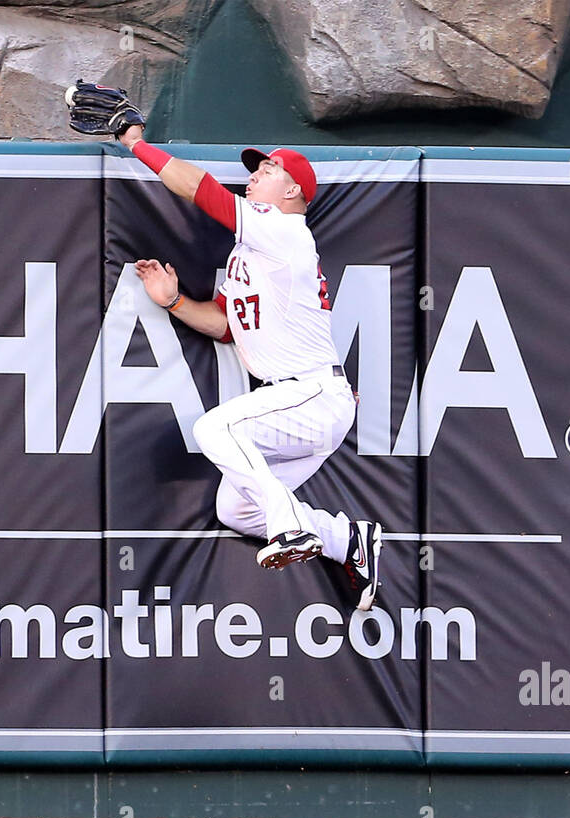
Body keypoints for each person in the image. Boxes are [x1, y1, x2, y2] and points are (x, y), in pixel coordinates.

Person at [117, 122, 382, 611]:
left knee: (216, 428)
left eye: (266, 170)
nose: (253, 178)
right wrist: (174, 300)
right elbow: (223, 325)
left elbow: (204, 192)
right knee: (235, 508)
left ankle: (287, 527)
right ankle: (346, 540)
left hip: (311, 395)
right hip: (304, 403)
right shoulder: (257, 251)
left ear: (293, 190)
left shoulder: (282, 230)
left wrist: (136, 145)